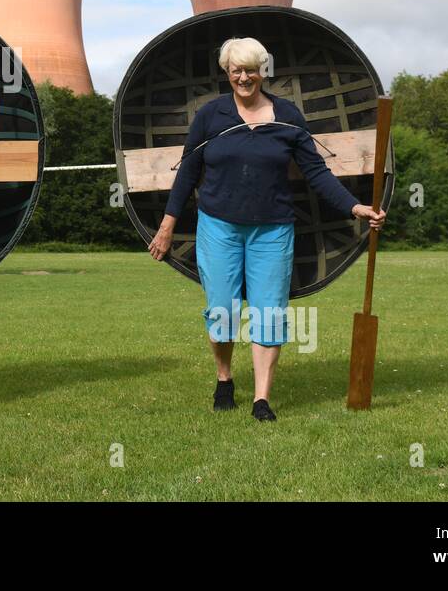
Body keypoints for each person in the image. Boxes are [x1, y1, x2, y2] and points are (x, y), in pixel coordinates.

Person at [148, 37, 386, 422]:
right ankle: (225, 378)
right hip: (219, 226)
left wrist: (354, 206)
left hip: (273, 230)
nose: (244, 77)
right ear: (227, 73)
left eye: (251, 69)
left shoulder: (287, 116)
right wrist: (167, 226)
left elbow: (316, 173)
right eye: (236, 71)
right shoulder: (211, 116)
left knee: (269, 314)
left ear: (263, 71)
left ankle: (262, 400)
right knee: (222, 312)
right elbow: (187, 172)